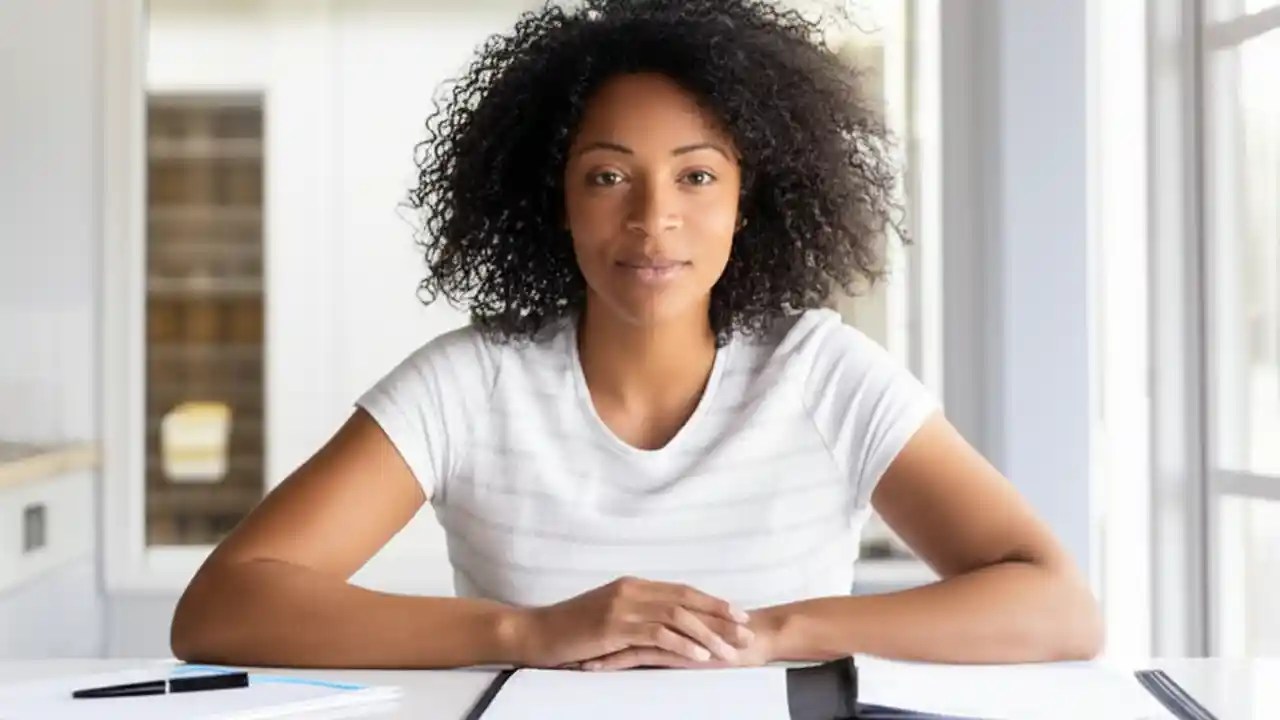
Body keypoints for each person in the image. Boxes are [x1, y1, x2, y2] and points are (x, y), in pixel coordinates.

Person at [171, 0, 1102, 671]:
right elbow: (223, 606)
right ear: (557, 203)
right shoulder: (469, 384)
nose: (654, 221)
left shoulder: (822, 373)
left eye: (696, 177)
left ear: (749, 203)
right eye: (609, 177)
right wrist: (530, 633)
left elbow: (1058, 606)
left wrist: (769, 634)